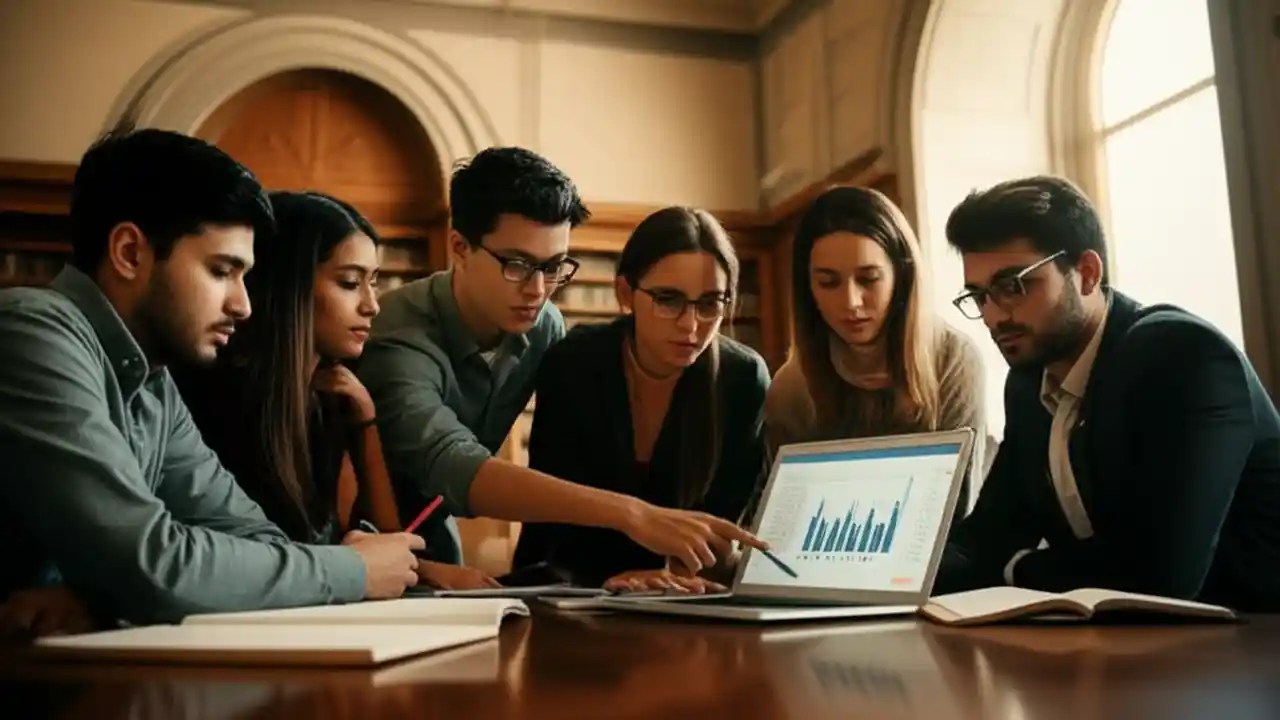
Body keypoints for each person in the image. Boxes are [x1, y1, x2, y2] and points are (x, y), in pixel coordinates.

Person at [0, 129, 422, 634]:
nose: (243, 305)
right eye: (222, 270)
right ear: (130, 253)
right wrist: (352, 569)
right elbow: (153, 566)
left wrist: (106, 596)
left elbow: (261, 542)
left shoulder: (155, 382)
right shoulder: (31, 334)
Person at [357, 147, 765, 573]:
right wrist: (632, 514)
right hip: (350, 537)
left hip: (432, 531)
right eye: (517, 264)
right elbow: (450, 462)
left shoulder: (543, 327)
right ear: (459, 247)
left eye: (553, 266)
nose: (537, 290)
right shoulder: (399, 338)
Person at [933, 175, 1280, 611]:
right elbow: (987, 536)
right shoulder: (1027, 385)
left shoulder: (1182, 358)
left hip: (1253, 645)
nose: (994, 317)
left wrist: (1016, 570)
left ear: (1088, 273)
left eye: (1013, 286)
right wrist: (890, 581)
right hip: (1129, 648)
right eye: (979, 296)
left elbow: (1160, 572)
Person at [173, 191, 497, 591]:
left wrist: (366, 424)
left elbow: (383, 543)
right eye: (349, 283)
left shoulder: (326, 397)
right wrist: (424, 571)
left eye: (373, 283)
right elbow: (277, 554)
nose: (372, 305)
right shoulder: (221, 396)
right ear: (289, 287)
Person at [511, 207, 771, 592]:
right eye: (669, 300)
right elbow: (552, 516)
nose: (691, 325)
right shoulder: (574, 364)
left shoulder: (743, 378)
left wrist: (672, 575)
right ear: (625, 293)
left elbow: (724, 530)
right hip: (570, 588)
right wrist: (612, 579)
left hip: (688, 594)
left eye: (710, 303)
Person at [765, 186, 986, 513]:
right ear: (807, 288)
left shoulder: (953, 361)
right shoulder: (791, 390)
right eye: (828, 283)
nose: (851, 302)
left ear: (902, 276)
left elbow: (957, 513)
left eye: (868, 279)